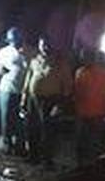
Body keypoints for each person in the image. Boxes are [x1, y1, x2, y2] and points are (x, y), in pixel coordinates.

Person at [22, 36, 72, 167]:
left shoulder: (60, 63)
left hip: (50, 100)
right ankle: (33, 156)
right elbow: (27, 81)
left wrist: (60, 105)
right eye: (42, 44)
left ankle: (47, 159)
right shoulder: (34, 60)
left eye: (47, 44)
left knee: (48, 131)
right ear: (39, 45)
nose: (44, 47)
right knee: (32, 129)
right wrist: (23, 100)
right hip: (33, 99)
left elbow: (67, 86)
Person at [73, 49, 105, 166]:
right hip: (82, 112)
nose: (85, 60)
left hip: (97, 113)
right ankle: (81, 165)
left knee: (94, 141)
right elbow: (76, 90)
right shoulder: (80, 72)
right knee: (81, 141)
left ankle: (94, 165)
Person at [0, 27, 28, 154]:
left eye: (17, 38)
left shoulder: (28, 51)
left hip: (23, 90)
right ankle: (7, 145)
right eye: (11, 39)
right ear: (8, 39)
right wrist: (0, 71)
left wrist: (24, 55)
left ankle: (20, 146)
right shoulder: (3, 52)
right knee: (6, 118)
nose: (14, 41)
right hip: (6, 89)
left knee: (21, 119)